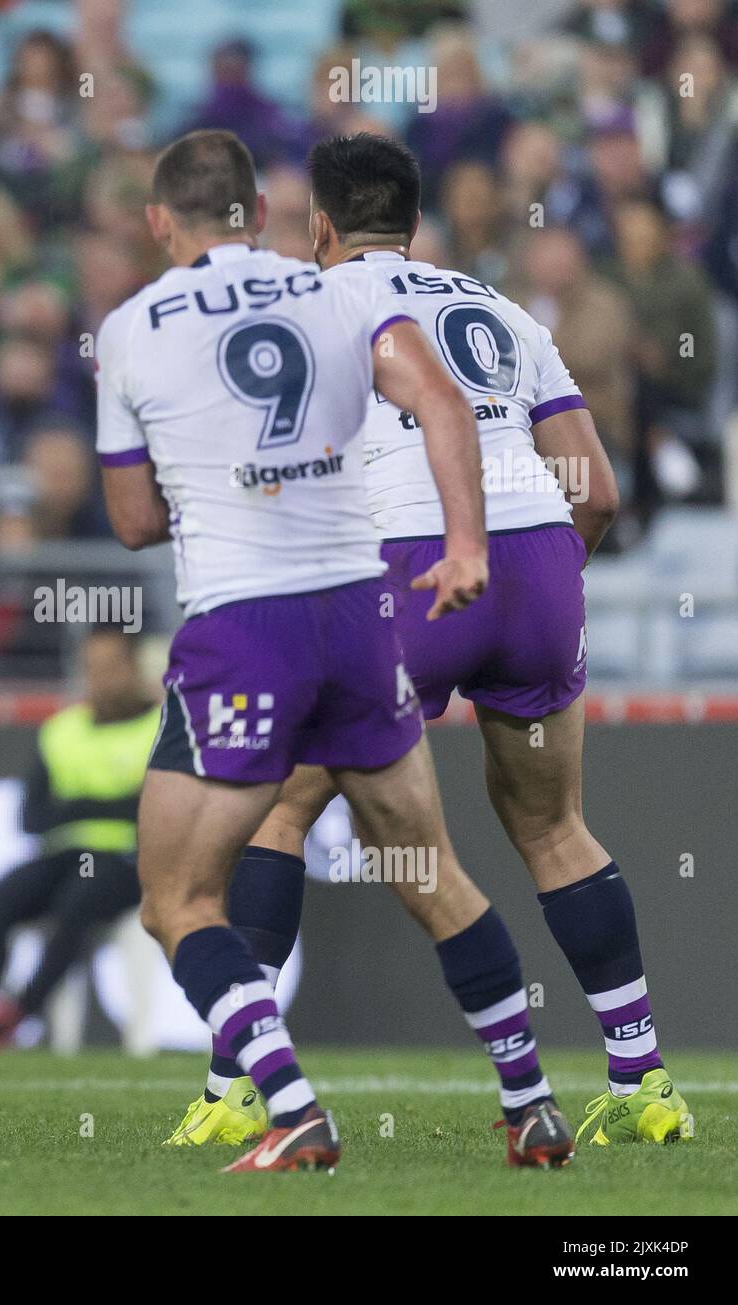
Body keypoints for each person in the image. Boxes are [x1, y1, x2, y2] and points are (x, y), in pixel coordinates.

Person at [177, 132, 691, 1154]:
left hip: (405, 565)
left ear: (318, 226)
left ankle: (237, 1085)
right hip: (537, 558)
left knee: (279, 810)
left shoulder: (310, 306)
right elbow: (595, 481)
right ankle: (642, 1080)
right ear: (410, 219)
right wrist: (540, 590)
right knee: (553, 829)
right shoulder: (501, 309)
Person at [98, 129, 574, 1173]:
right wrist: (460, 546)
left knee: (177, 898)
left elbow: (132, 521)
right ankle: (532, 1104)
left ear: (158, 223)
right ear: (264, 215)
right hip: (362, 615)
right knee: (429, 868)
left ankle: (288, 1104)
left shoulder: (130, 329)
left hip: (242, 624)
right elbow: (441, 401)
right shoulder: (336, 297)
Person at [0, 627, 159, 1045]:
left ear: (133, 669)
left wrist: (76, 806)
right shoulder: (62, 730)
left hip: (128, 859)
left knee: (75, 904)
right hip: (65, 854)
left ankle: (21, 1012)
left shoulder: (160, 726)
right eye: (92, 668)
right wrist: (107, 804)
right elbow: (31, 817)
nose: (101, 679)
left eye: (111, 668)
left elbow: (155, 811)